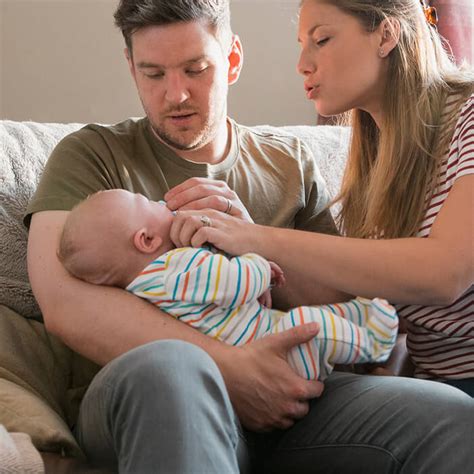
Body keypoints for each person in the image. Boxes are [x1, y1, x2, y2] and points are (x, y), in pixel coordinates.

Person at [25, 0, 473, 473]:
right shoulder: (92, 155)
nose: (176, 94)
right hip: (152, 394)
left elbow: (343, 302)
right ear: (131, 68)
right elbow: (63, 301)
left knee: (454, 416)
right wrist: (227, 367)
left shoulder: (290, 162)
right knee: (172, 367)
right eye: (153, 74)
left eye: (195, 69)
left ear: (232, 59)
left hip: (300, 397)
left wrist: (253, 239)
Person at [173, 0, 474, 398]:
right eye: (302, 45)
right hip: (442, 389)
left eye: (322, 40)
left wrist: (256, 237)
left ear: (386, 35)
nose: (302, 64)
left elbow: (445, 274)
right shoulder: (374, 162)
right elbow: (380, 313)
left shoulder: (468, 117)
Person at [57, 189, 399, 381]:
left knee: (326, 315)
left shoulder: (143, 290)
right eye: (147, 203)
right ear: (146, 239)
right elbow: (232, 283)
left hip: (262, 333)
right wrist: (258, 263)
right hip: (275, 358)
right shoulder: (175, 267)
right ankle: (375, 342)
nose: (160, 202)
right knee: (307, 324)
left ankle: (364, 316)